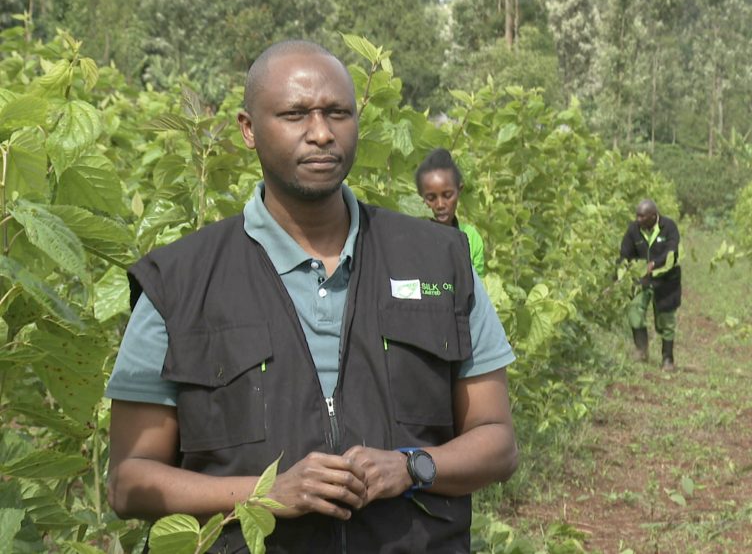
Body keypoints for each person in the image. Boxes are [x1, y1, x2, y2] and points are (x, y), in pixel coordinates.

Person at [104, 41, 518, 553]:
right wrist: (266, 496)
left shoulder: (440, 261)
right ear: (248, 129)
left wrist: (410, 466)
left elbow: (497, 440)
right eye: (295, 114)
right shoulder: (181, 281)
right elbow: (128, 480)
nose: (321, 133)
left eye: (338, 113)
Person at [618, 199, 682, 370]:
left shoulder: (669, 227)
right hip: (642, 280)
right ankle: (641, 350)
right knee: (635, 311)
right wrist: (618, 277)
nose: (638, 219)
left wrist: (654, 264)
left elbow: (672, 250)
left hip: (666, 280)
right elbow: (624, 255)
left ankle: (667, 359)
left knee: (665, 320)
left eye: (642, 216)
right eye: (637, 216)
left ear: (653, 216)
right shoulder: (633, 229)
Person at [415, 148, 486, 275]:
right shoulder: (413, 237)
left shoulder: (471, 238)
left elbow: (477, 289)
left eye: (447, 195)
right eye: (431, 198)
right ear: (420, 198)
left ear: (459, 191)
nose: (440, 205)